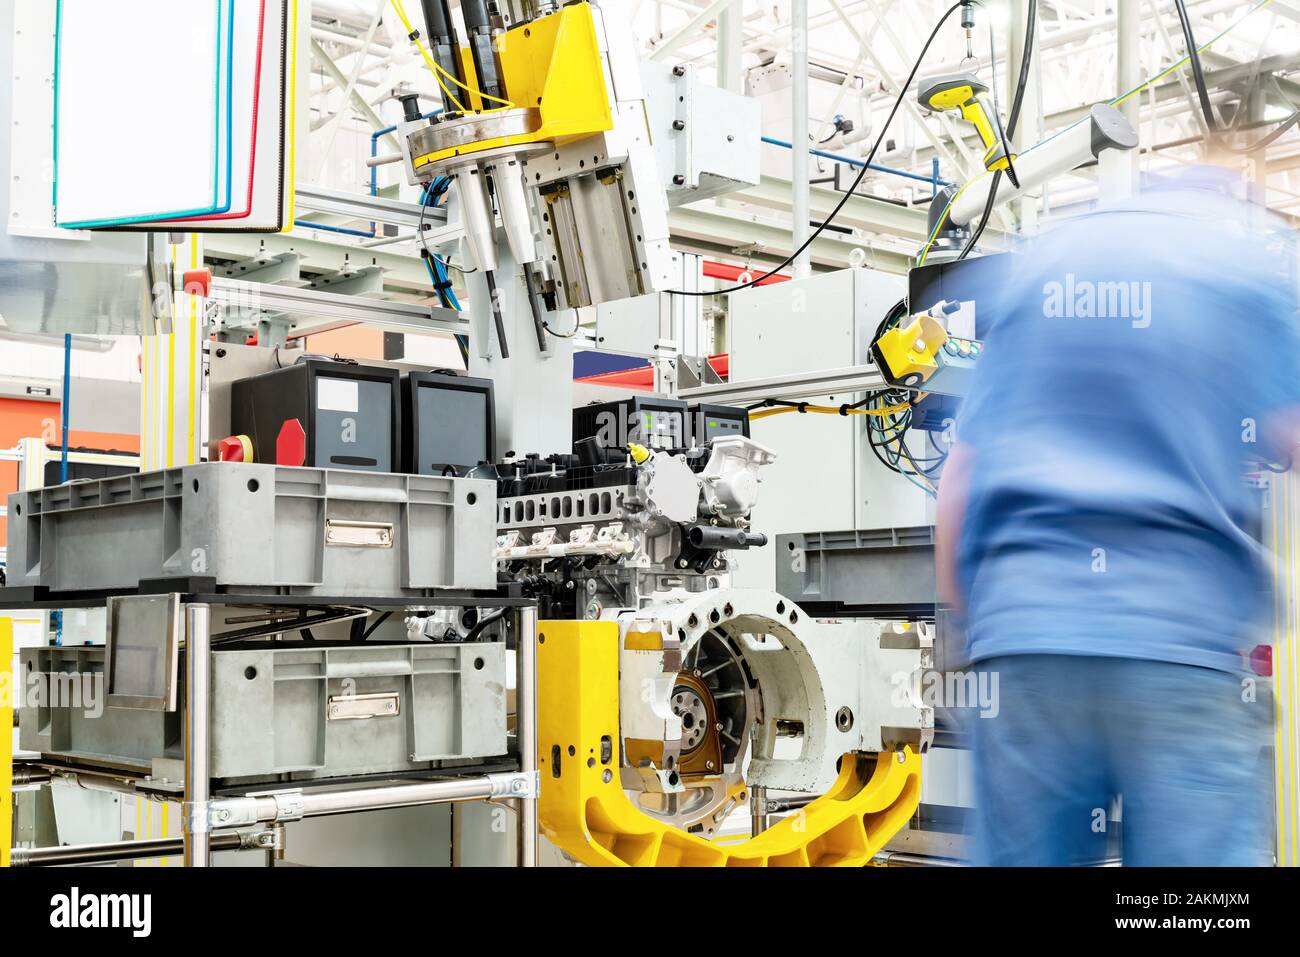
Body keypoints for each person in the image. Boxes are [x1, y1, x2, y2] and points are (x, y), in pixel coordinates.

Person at [934, 165, 1297, 866]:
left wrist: (970, 623)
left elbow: (961, 474)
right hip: (1182, 645)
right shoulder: (1242, 271)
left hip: (1025, 645)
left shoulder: (1044, 266)